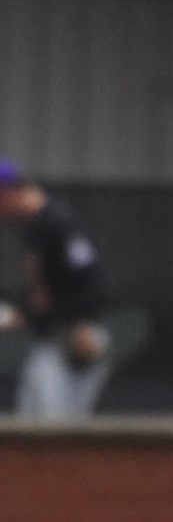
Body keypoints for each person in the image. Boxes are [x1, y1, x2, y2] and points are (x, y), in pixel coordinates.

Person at [0, 157, 112, 419]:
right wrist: (20, 316)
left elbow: (90, 279)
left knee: (59, 433)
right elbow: (45, 295)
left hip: (74, 339)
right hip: (51, 342)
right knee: (29, 429)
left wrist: (84, 323)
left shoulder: (56, 222)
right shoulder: (33, 227)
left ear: (6, 193)